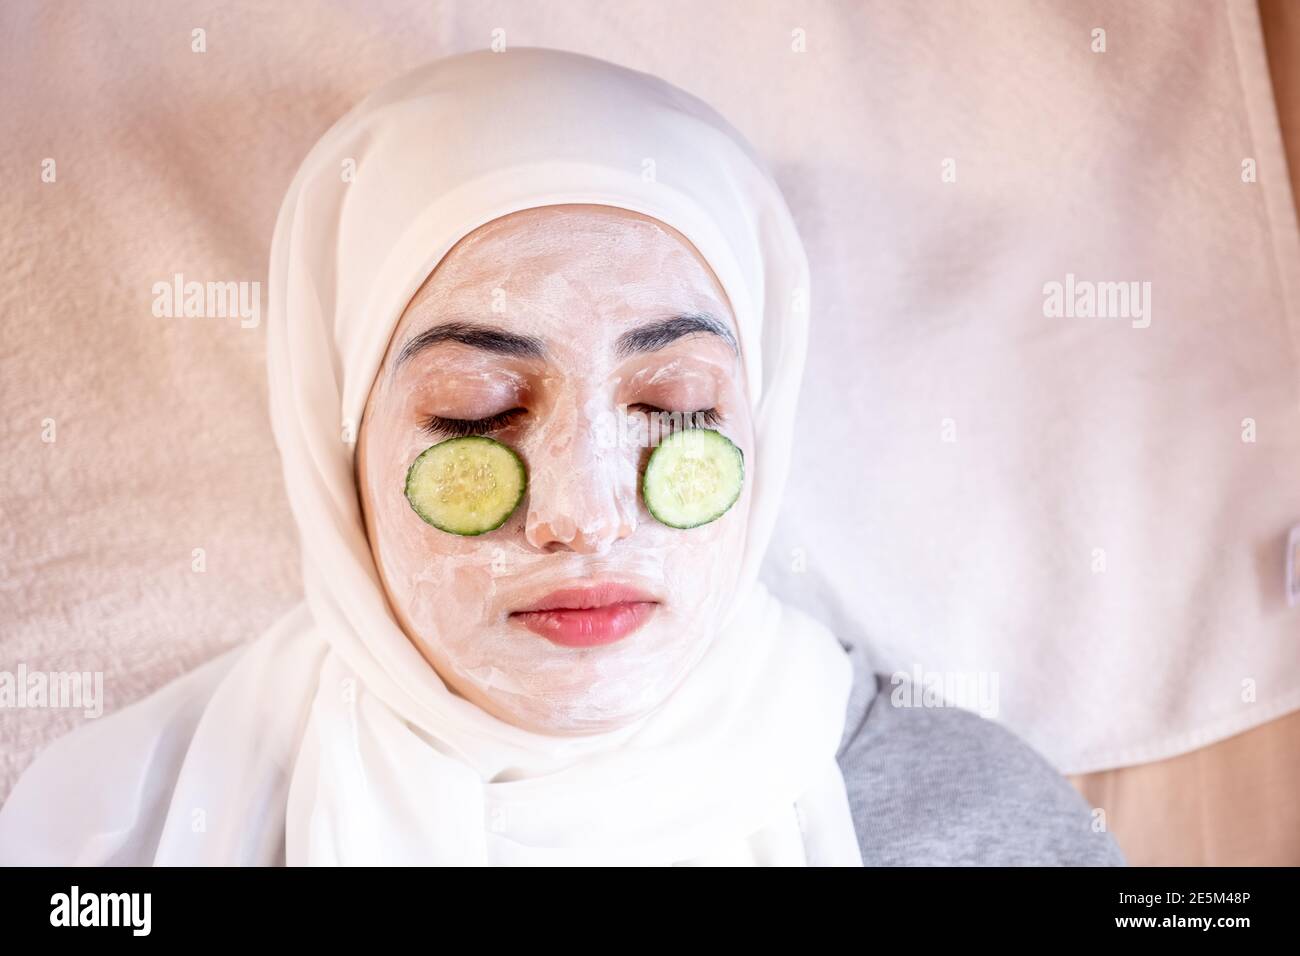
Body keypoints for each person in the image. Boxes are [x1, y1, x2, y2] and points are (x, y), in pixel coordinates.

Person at [0, 47, 1122, 866]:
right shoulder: (113, 834)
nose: (584, 513)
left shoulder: (972, 825)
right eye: (478, 411)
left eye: (672, 404)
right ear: (333, 452)